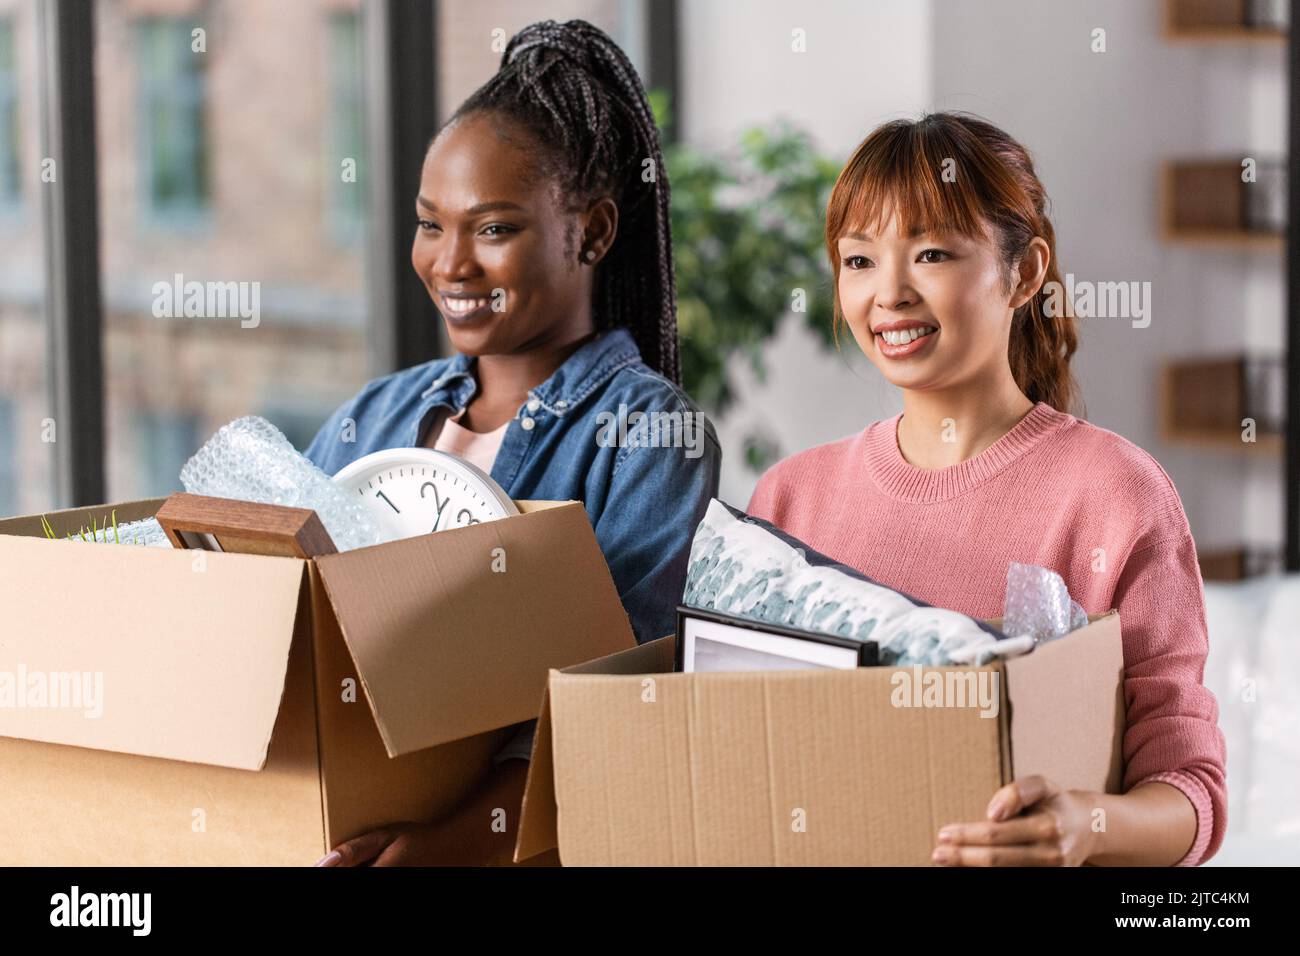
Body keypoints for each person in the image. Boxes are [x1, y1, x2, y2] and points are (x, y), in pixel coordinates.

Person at [747, 112, 1226, 866]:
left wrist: (1086, 825)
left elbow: (1189, 791)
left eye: (931, 253)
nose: (889, 294)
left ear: (1024, 272)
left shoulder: (1115, 495)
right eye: (859, 260)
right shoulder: (788, 500)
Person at [304, 19, 720, 865]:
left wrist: (449, 847)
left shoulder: (650, 440)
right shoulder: (374, 416)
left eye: (493, 229)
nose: (450, 263)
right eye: (431, 224)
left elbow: (602, 711)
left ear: (592, 233)